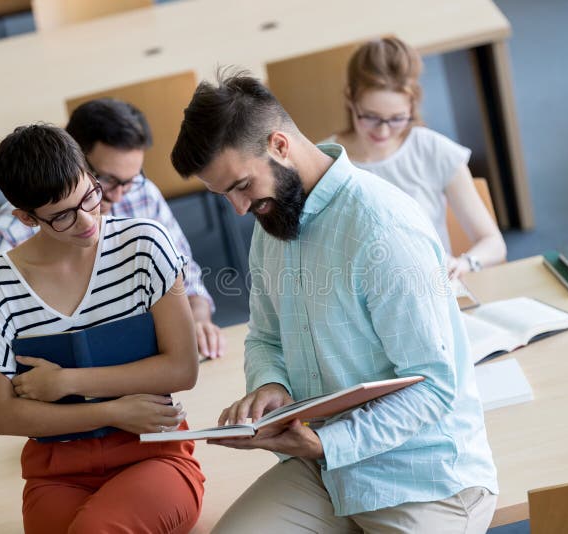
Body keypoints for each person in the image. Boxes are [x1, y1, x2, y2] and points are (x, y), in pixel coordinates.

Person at [170, 72, 498, 532]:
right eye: (224, 194)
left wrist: (328, 444)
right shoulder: (272, 225)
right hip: (325, 469)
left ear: (280, 145)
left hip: (422, 478)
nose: (238, 209)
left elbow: (434, 388)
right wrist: (271, 386)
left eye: (242, 185)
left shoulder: (383, 230)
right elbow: (265, 337)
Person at [0, 124, 204, 533]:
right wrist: (112, 409)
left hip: (153, 452)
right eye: (61, 215)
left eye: (89, 196)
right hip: (56, 472)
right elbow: (4, 415)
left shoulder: (146, 245)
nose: (86, 221)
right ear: (26, 217)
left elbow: (182, 368)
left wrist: (67, 383)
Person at [0, 98, 225, 358]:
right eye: (107, 180)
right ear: (75, 161)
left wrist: (197, 319)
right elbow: (6, 346)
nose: (118, 196)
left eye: (129, 181)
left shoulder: (142, 193)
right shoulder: (6, 237)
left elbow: (187, 277)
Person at [329, 37, 506, 278]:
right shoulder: (326, 161)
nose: (382, 131)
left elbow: (493, 242)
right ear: (350, 99)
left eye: (396, 118)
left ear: (412, 106)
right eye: (370, 117)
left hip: (429, 286)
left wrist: (464, 264)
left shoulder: (433, 150)